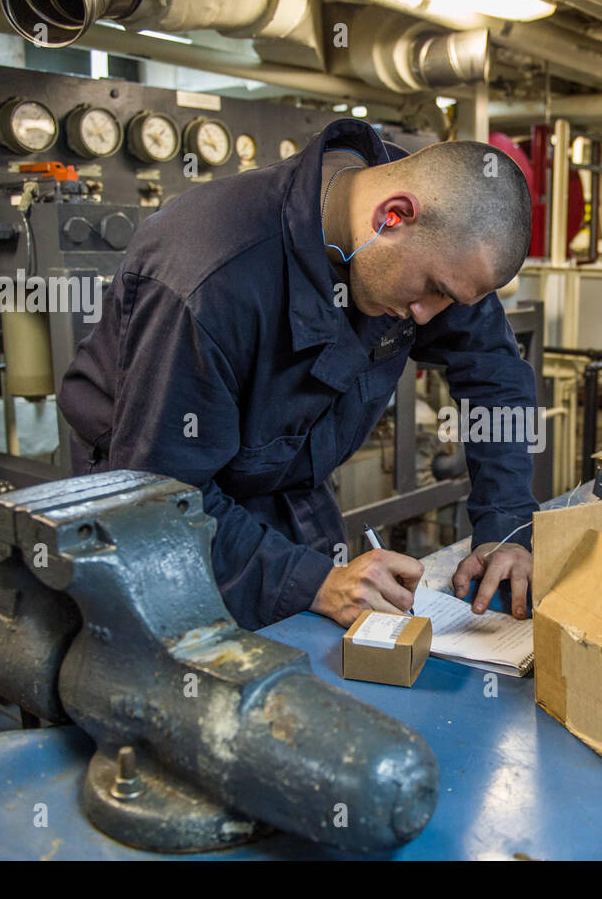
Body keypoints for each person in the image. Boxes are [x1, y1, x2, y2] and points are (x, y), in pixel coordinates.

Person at [57, 118, 538, 631]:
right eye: (431, 289)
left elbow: (494, 372)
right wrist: (313, 583)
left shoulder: (436, 232)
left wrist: (505, 528)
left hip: (292, 496)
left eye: (448, 300)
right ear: (392, 216)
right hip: (166, 514)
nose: (426, 315)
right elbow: (162, 498)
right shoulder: (207, 278)